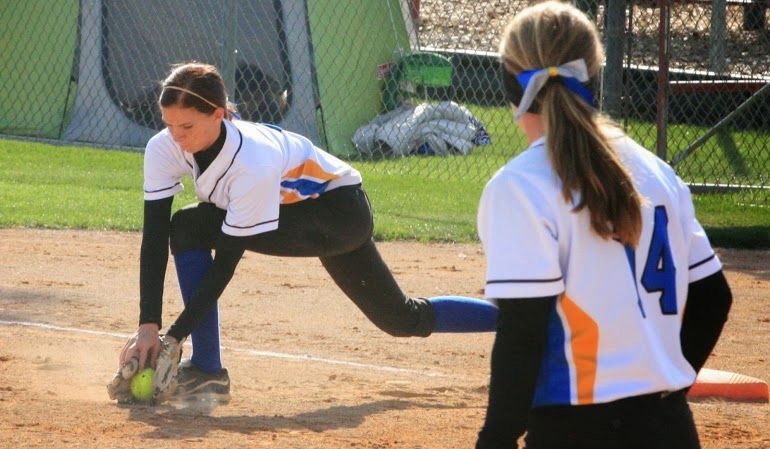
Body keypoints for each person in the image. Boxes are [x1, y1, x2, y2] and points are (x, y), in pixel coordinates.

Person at [107, 62, 498, 404]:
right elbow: (155, 236)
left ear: (220, 115)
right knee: (401, 318)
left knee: (193, 225)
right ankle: (519, 318)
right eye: (169, 124)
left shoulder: (251, 161)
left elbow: (225, 263)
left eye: (187, 126)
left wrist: (174, 339)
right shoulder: (164, 148)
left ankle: (208, 370)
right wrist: (148, 327)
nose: (177, 136)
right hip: (295, 214)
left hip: (337, 215)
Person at [475, 2, 732, 448]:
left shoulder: (520, 185)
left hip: (575, 429)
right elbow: (714, 297)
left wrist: (495, 437)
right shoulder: (657, 172)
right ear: (593, 77)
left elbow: (524, 334)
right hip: (670, 426)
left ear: (508, 87)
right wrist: (666, 388)